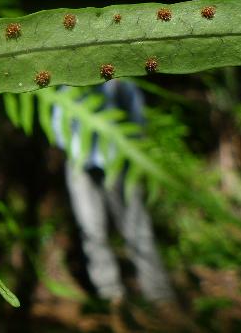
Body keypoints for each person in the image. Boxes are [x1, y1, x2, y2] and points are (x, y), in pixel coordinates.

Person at [52, 80, 176, 315]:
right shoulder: (68, 85)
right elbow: (59, 126)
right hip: (80, 165)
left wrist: (128, 151)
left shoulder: (120, 84)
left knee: (137, 229)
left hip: (118, 162)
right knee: (91, 231)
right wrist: (76, 151)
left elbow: (137, 119)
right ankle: (112, 297)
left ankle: (160, 297)